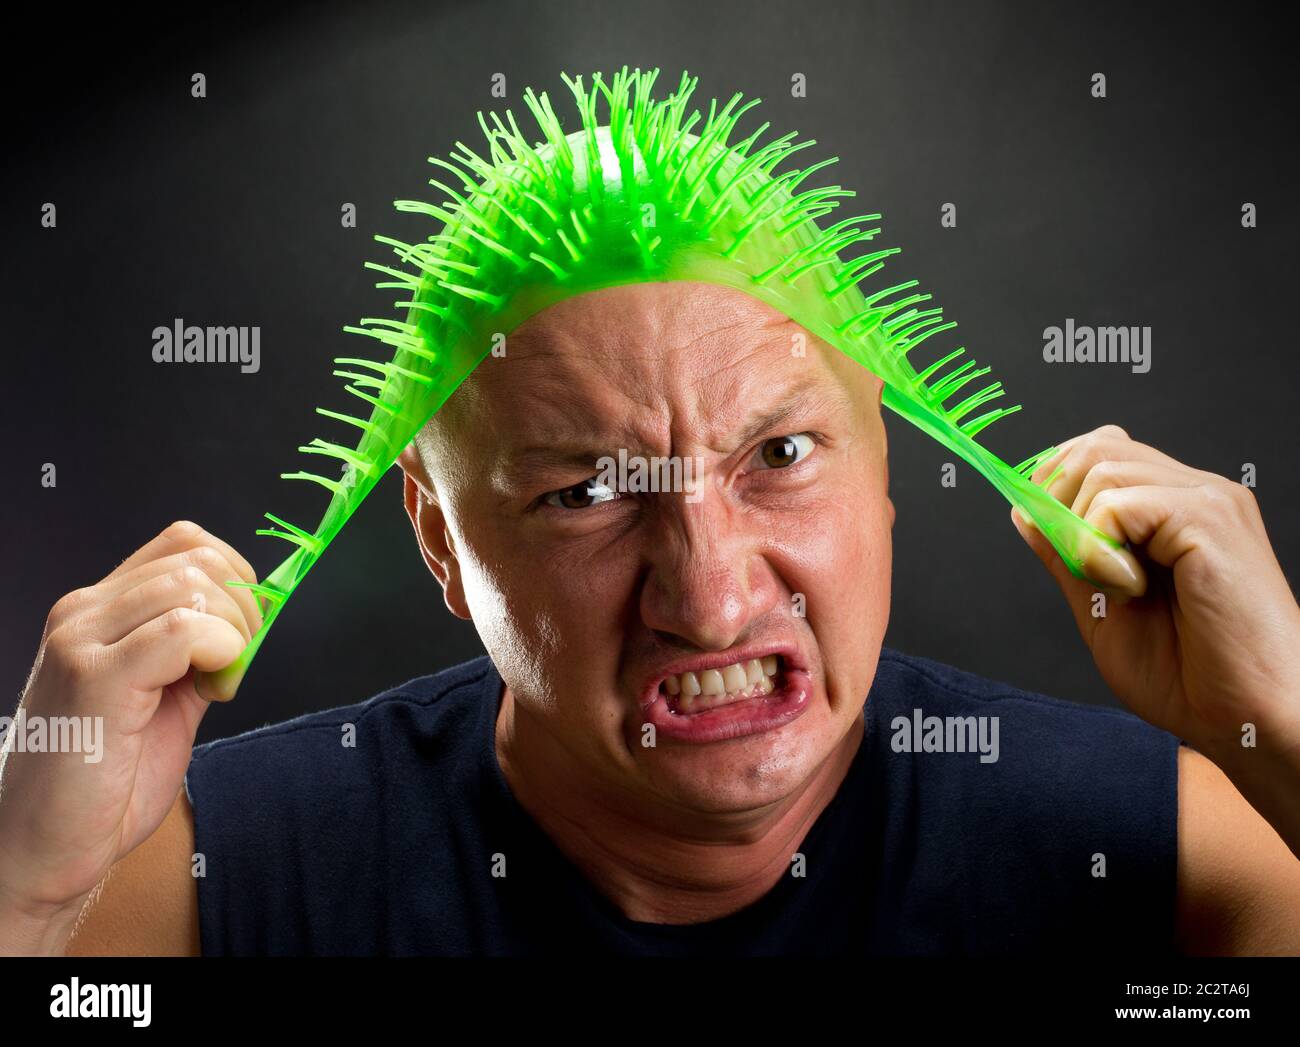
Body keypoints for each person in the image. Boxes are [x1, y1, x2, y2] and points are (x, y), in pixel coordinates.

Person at [3, 281, 1298, 956]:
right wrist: (24, 891)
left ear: (888, 479)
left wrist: (1287, 726)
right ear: (441, 538)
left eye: (781, 453)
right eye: (584, 494)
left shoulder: (1153, 857)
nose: (713, 594)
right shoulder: (219, 881)